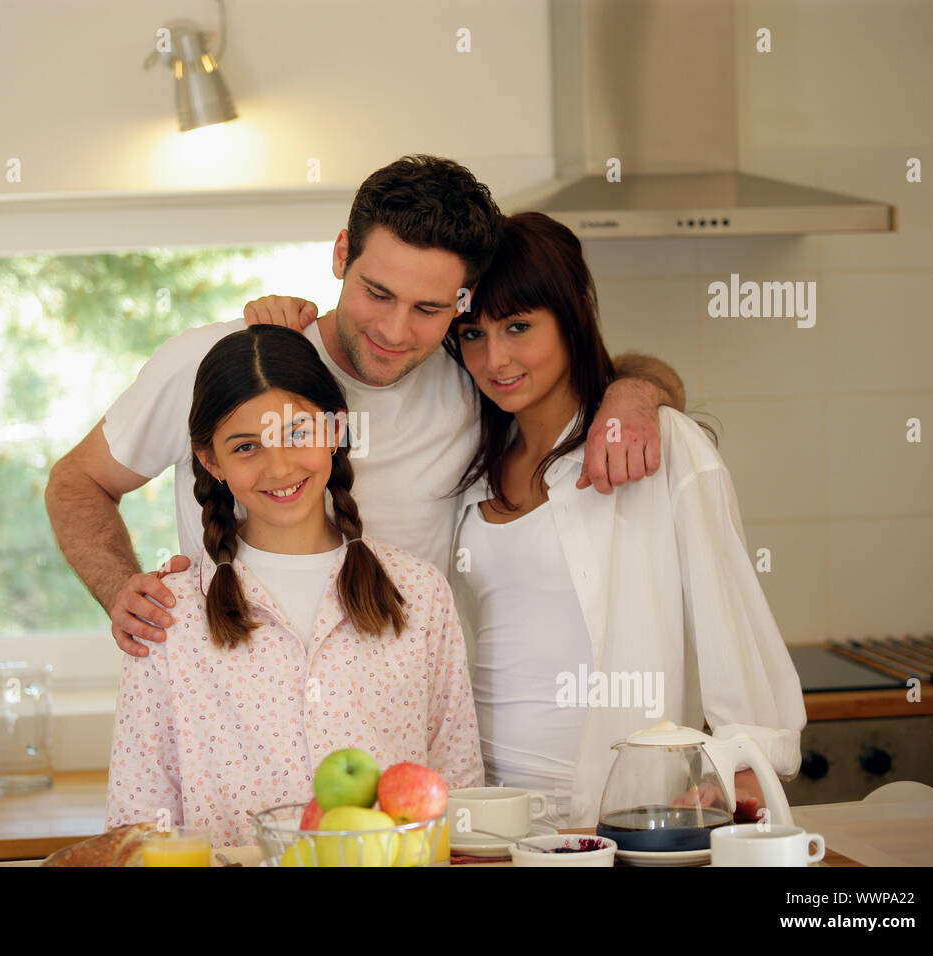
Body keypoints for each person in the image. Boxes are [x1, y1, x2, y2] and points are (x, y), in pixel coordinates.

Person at [45, 155, 686, 661]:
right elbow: (78, 481)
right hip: (237, 721)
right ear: (340, 253)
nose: (396, 330)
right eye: (377, 293)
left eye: (429, 309)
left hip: (401, 733)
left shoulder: (473, 377)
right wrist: (118, 587)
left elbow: (599, 371)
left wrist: (635, 393)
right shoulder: (215, 363)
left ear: (461, 303)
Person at [443, 211, 806, 829]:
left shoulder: (659, 446)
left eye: (519, 326)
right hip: (478, 806)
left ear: (575, 314)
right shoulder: (466, 461)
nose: (495, 357)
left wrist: (745, 759)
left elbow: (731, 613)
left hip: (619, 803)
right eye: (472, 334)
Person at [104, 324, 483, 846]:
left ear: (335, 429)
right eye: (245, 447)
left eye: (298, 433)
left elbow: (456, 786)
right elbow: (139, 821)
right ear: (210, 460)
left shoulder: (418, 594)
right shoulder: (171, 615)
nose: (278, 466)